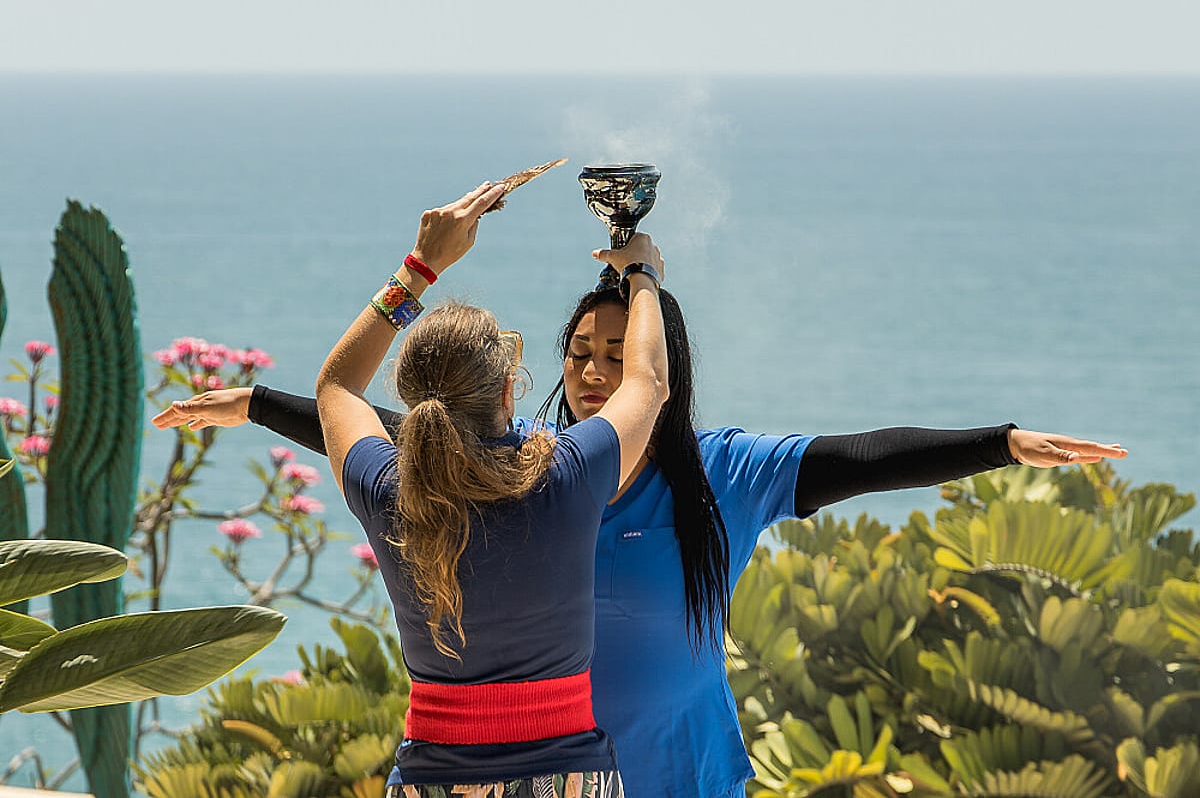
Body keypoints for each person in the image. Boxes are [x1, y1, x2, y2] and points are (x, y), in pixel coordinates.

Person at [156, 264, 1127, 798]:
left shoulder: (725, 471)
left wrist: (1001, 443)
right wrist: (257, 403)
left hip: (685, 778)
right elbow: (411, 437)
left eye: (616, 356)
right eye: (579, 352)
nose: (590, 372)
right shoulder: (528, 462)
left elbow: (863, 457)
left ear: (653, 364)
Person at [271, 181, 667, 796]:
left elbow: (337, 390)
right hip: (567, 782)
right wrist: (642, 273)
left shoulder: (389, 489)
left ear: (413, 397)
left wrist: (421, 265)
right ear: (509, 393)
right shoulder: (567, 474)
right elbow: (647, 383)